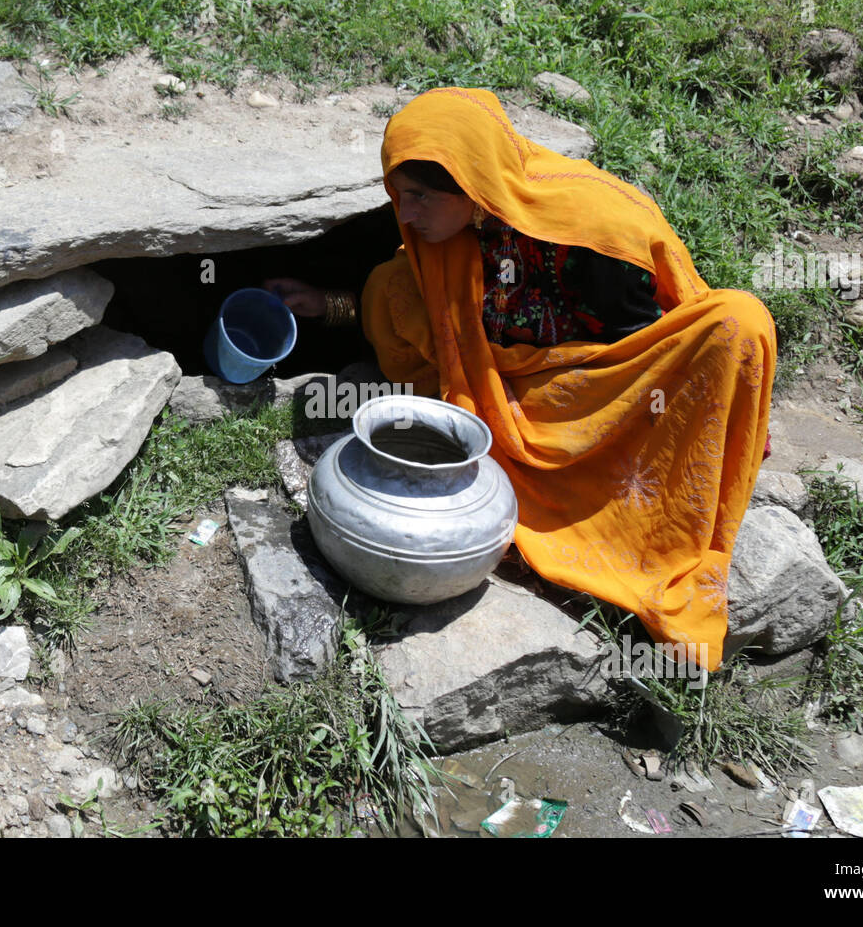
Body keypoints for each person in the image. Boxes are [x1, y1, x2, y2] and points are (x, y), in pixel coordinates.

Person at [268, 86, 775, 672]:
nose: (406, 215)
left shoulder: (596, 234)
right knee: (389, 289)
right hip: (502, 396)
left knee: (741, 321)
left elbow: (642, 357)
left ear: (472, 183)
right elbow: (416, 308)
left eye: (419, 198)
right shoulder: (447, 242)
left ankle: (599, 501)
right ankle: (510, 448)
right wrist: (325, 304)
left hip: (608, 399)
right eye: (399, 195)